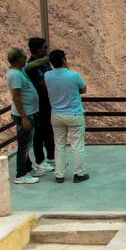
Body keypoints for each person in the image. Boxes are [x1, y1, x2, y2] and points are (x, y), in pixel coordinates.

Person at [44, 49, 89, 183]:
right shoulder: (74, 75)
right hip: (74, 114)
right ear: (64, 59)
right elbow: (83, 89)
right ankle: (79, 174)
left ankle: (59, 175)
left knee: (59, 145)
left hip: (56, 114)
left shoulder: (47, 75)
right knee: (77, 145)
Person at [6, 48, 41, 184]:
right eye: (24, 57)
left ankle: (27, 167)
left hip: (28, 113)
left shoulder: (19, 70)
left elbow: (31, 65)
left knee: (24, 143)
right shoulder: (15, 75)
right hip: (25, 115)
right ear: (17, 60)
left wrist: (47, 58)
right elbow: (16, 97)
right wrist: (24, 117)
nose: (26, 58)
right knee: (25, 145)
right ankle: (21, 174)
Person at [25, 36, 54, 174]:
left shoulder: (44, 63)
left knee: (48, 131)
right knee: (39, 133)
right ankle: (40, 160)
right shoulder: (32, 66)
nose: (46, 50)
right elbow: (44, 83)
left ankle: (51, 157)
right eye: (45, 47)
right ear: (37, 49)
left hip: (47, 103)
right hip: (39, 104)